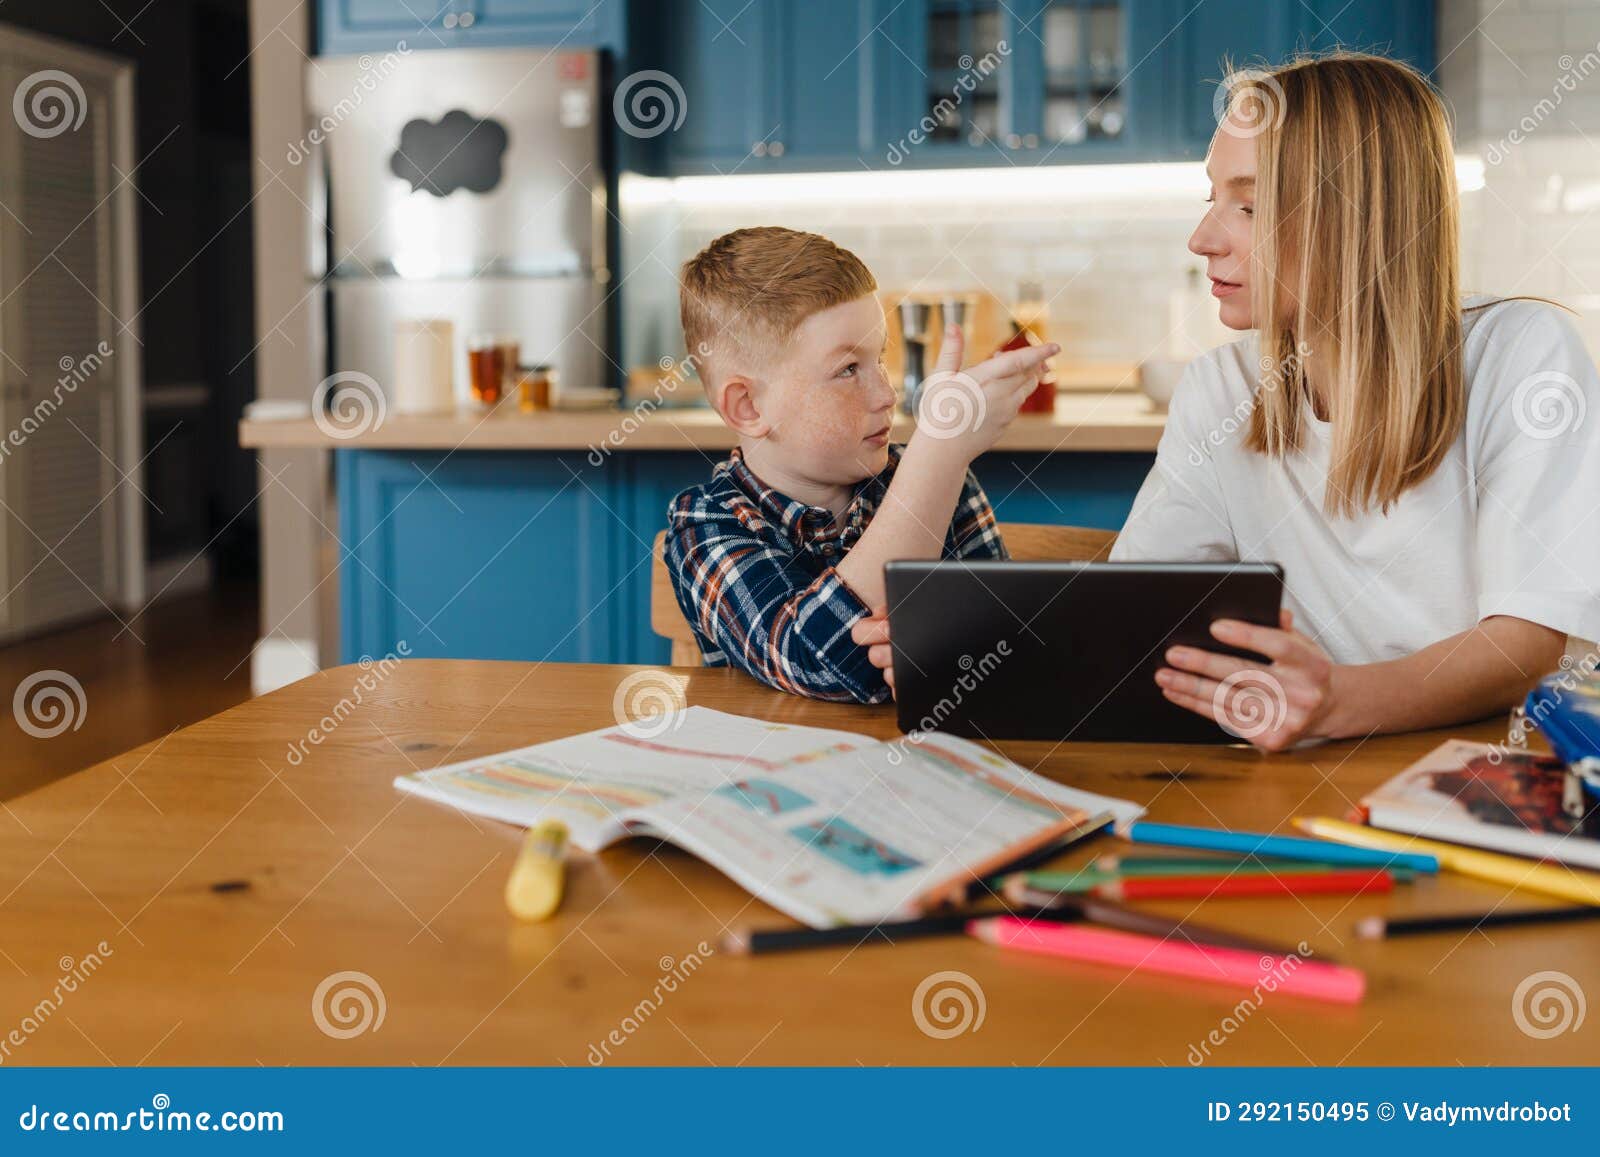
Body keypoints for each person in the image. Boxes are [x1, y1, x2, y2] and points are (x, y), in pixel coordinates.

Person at [858, 53, 1600, 750]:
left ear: (1357, 217)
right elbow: (1131, 620)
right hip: (1305, 776)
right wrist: (976, 648)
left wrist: (1340, 699)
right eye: (1212, 198)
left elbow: (1527, 644)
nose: (1201, 237)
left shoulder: (1521, 356)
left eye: (1247, 206)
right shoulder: (1220, 388)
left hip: (1490, 773)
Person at [665, 226, 1055, 702]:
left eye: (881, 360)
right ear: (748, 407)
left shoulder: (940, 477)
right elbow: (818, 660)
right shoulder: (705, 524)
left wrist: (960, 654)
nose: (888, 396)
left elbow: (1007, 648)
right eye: (848, 370)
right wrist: (939, 449)